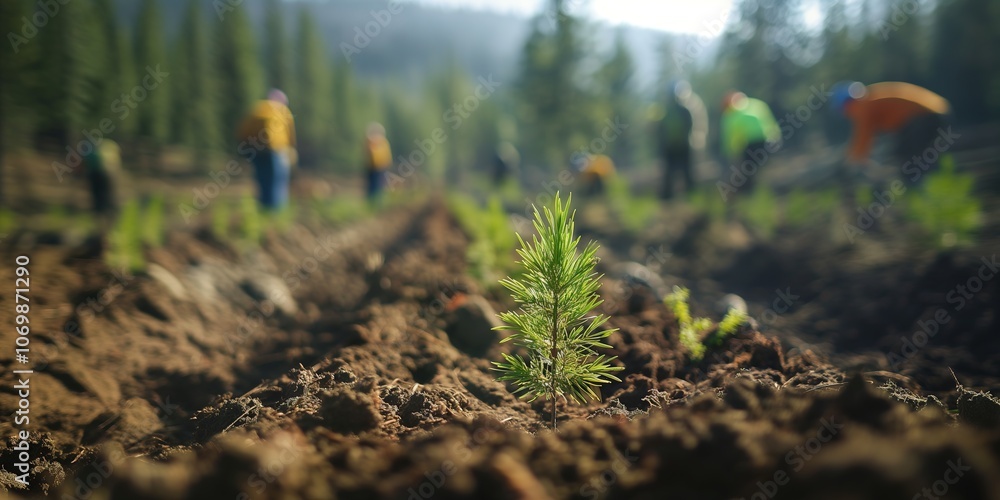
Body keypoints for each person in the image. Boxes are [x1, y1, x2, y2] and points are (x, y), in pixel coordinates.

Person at [831, 81, 951, 176]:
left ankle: (922, 192)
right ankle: (937, 186)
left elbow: (863, 137)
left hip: (925, 118)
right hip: (936, 112)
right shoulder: (870, 98)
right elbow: (865, 138)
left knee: (908, 158)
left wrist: (851, 162)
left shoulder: (862, 106)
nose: (847, 115)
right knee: (914, 156)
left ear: (846, 104)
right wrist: (854, 155)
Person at [237, 89, 297, 210]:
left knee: (262, 179)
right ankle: (276, 209)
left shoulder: (258, 108)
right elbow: (290, 134)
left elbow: (243, 128)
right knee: (277, 179)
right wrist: (291, 149)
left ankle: (263, 207)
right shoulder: (283, 110)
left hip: (256, 150)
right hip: (276, 150)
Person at [719, 91, 780, 195]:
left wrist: (730, 153)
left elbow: (730, 137)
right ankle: (759, 190)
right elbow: (770, 121)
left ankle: (750, 192)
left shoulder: (730, 114)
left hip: (751, 144)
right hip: (766, 140)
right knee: (754, 169)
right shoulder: (758, 104)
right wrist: (776, 135)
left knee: (748, 170)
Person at [658, 80, 707, 199]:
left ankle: (688, 195)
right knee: (673, 172)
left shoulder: (679, 110)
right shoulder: (672, 110)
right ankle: (670, 197)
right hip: (674, 146)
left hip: (679, 146)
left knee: (685, 171)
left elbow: (688, 126)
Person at [83, 138, 122, 232]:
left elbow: (86, 166)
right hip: (109, 176)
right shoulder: (111, 146)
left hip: (96, 176)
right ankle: (109, 227)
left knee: (99, 202)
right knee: (109, 200)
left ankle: (101, 228)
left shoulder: (91, 150)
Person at [364, 122, 393, 206]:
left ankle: (378, 202)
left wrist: (387, 163)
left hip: (381, 167)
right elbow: (368, 154)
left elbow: (386, 155)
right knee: (372, 185)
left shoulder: (383, 143)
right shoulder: (370, 142)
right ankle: (371, 202)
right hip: (372, 167)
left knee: (380, 185)